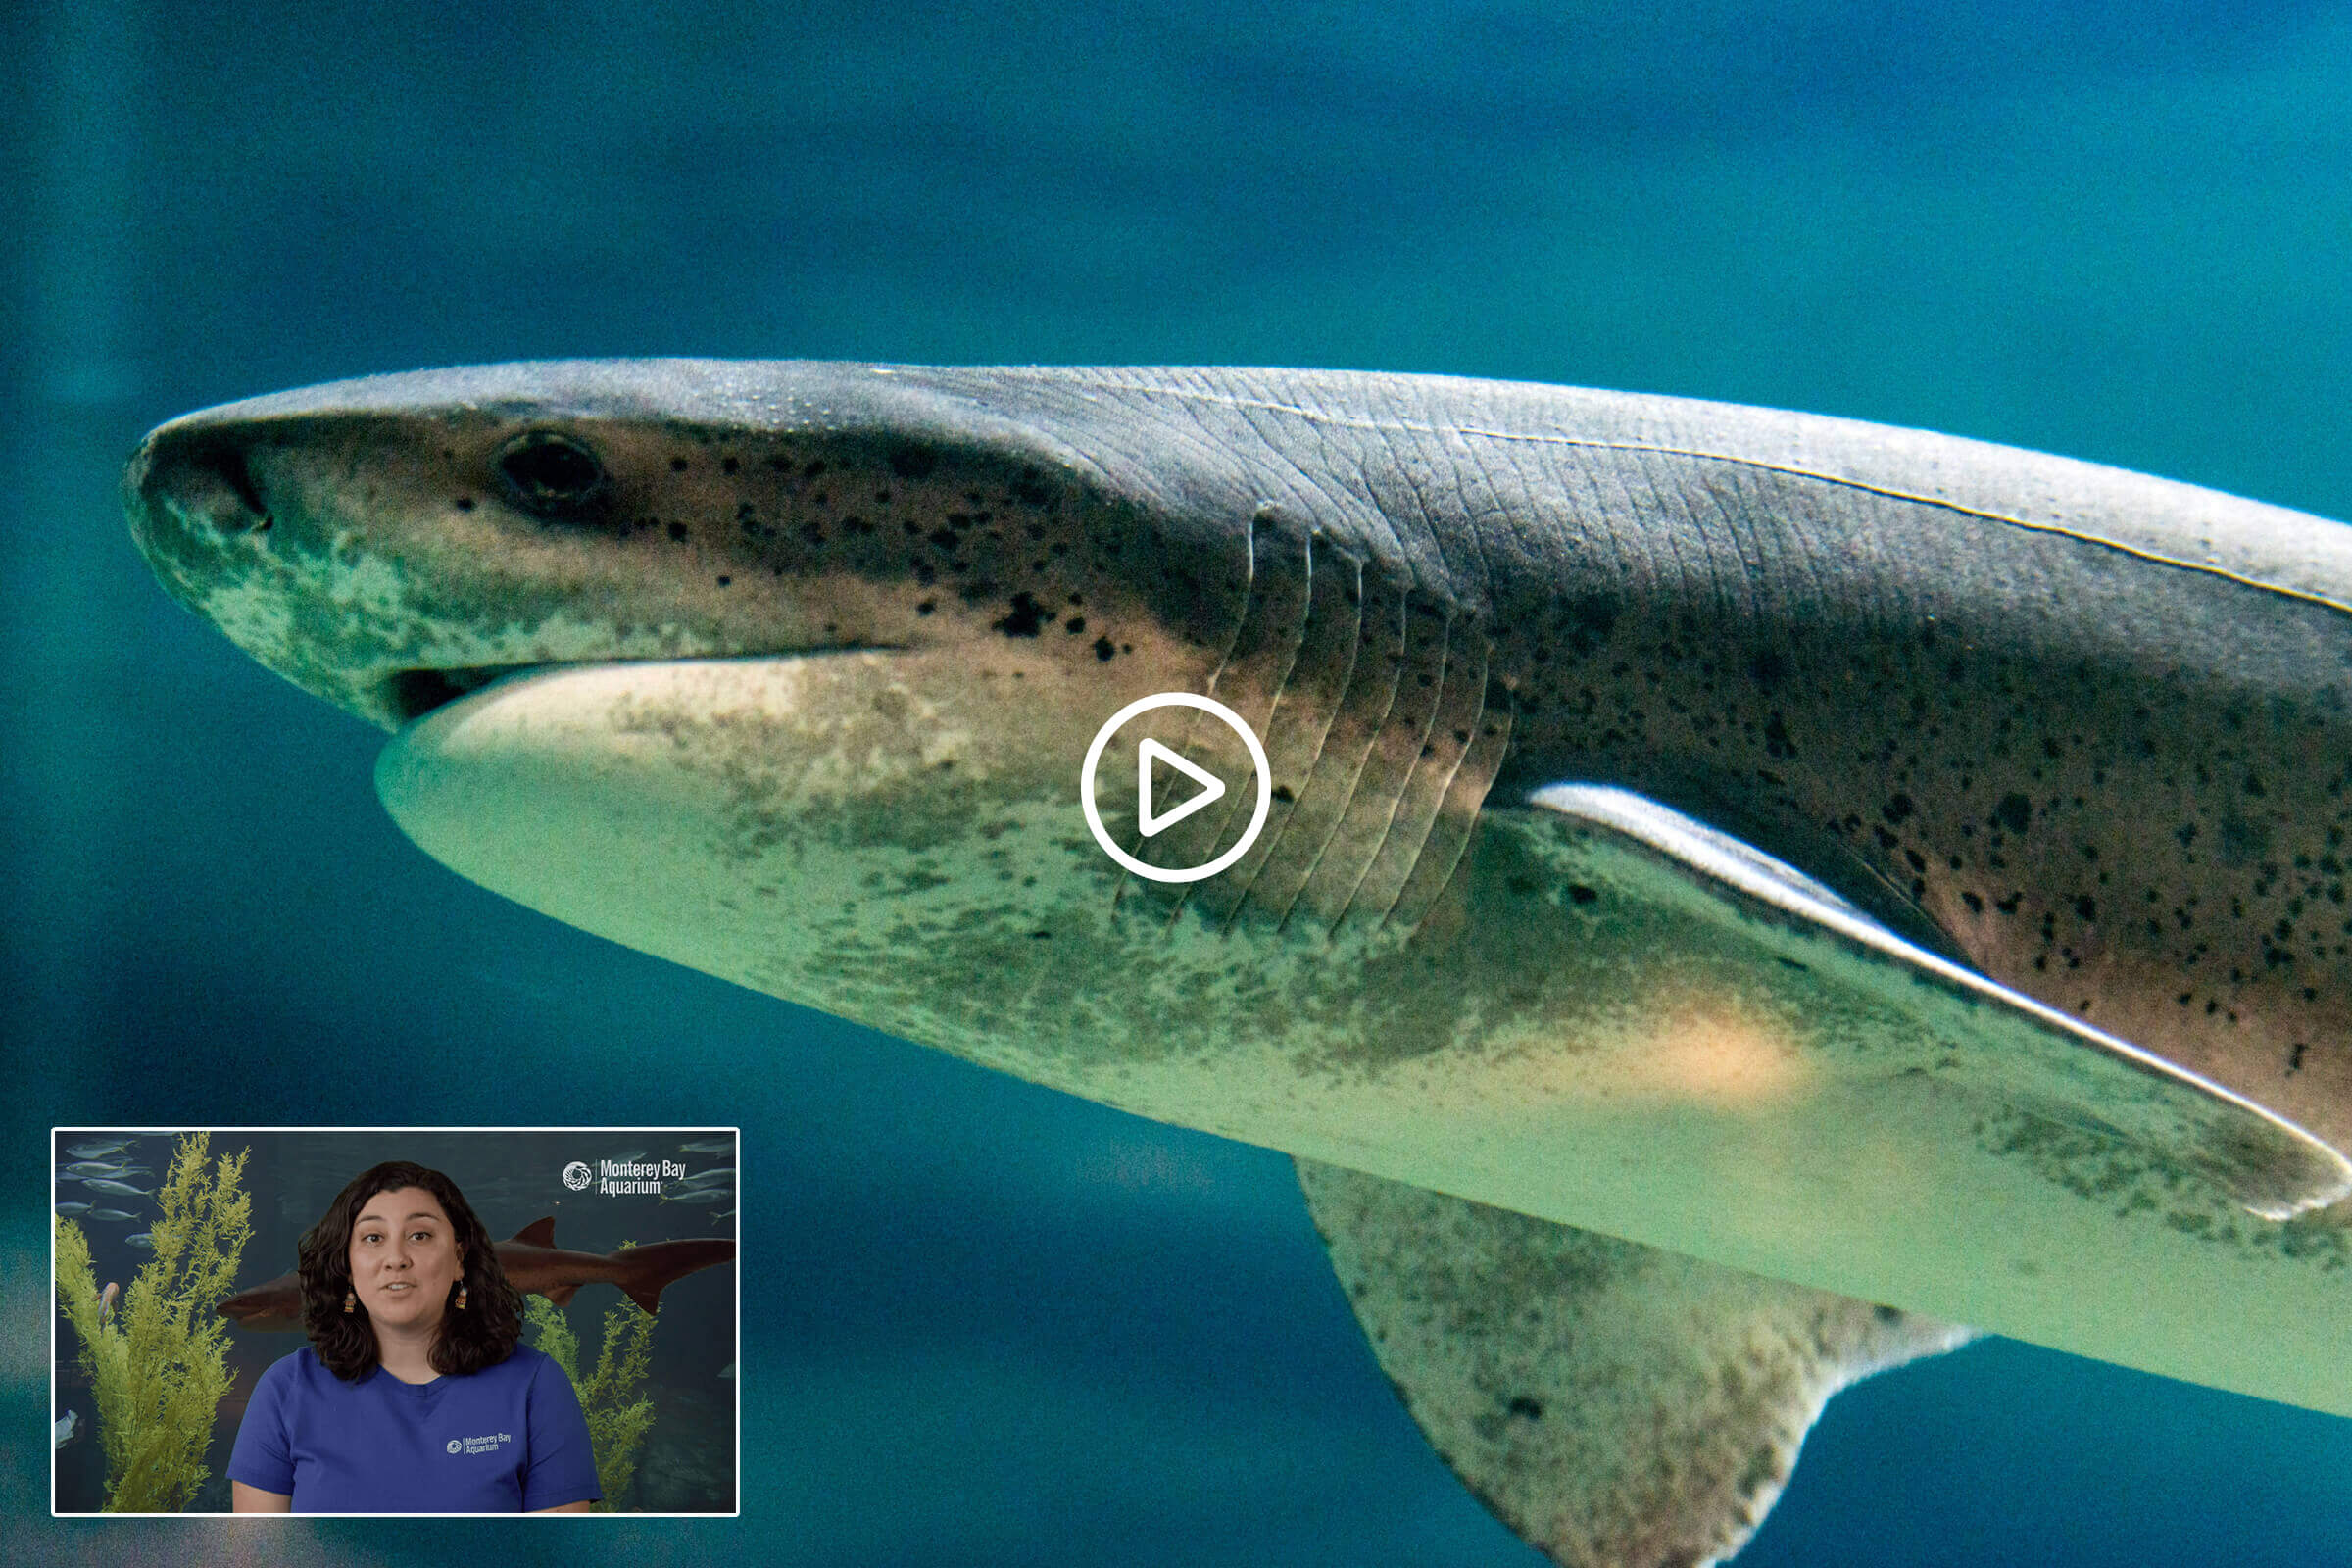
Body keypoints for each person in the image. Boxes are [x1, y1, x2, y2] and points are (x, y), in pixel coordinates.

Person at [228, 1160, 601, 1513]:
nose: (396, 1258)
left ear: (459, 1258)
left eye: (420, 1235)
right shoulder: (284, 1390)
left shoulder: (536, 1387)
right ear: (347, 1265)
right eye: (373, 1237)